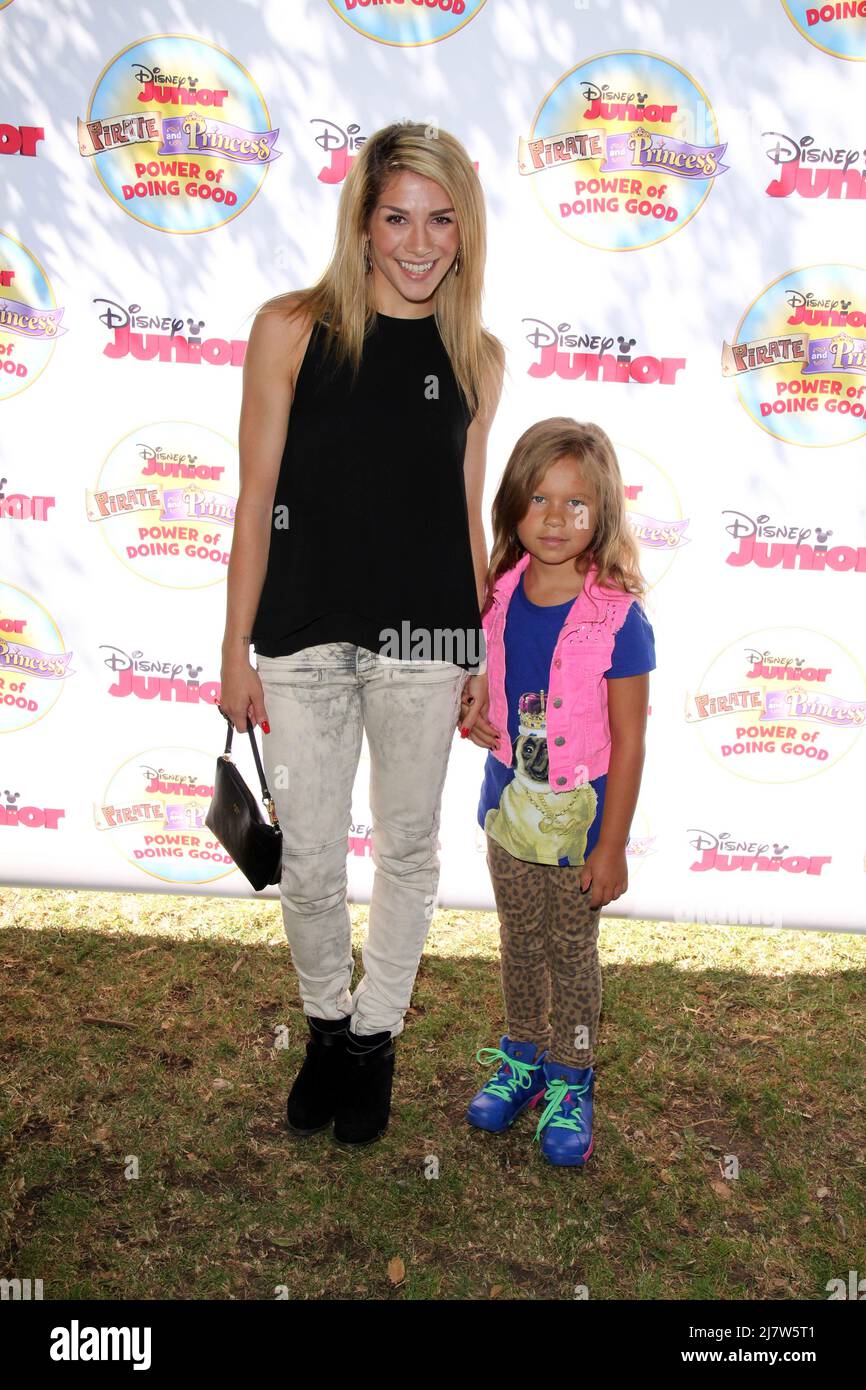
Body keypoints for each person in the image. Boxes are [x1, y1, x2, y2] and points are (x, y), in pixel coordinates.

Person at [219, 121, 505, 1146]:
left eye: (440, 220)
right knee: (303, 858)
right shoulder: (289, 328)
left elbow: (463, 512)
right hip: (299, 637)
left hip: (426, 641)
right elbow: (256, 503)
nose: (418, 242)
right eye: (396, 217)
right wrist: (232, 650)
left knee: (409, 847)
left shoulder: (475, 355)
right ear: (363, 222)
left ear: (465, 233)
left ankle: (375, 1038)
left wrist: (478, 650)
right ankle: (324, 1027)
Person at [459, 419, 656, 1166]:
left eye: (576, 504)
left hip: (581, 829)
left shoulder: (620, 618)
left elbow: (630, 740)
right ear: (512, 504)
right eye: (538, 497)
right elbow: (487, 686)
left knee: (571, 953)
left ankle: (571, 1078)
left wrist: (612, 844)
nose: (554, 517)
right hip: (508, 816)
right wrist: (476, 714)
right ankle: (522, 1059)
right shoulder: (497, 595)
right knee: (519, 944)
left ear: (603, 513)